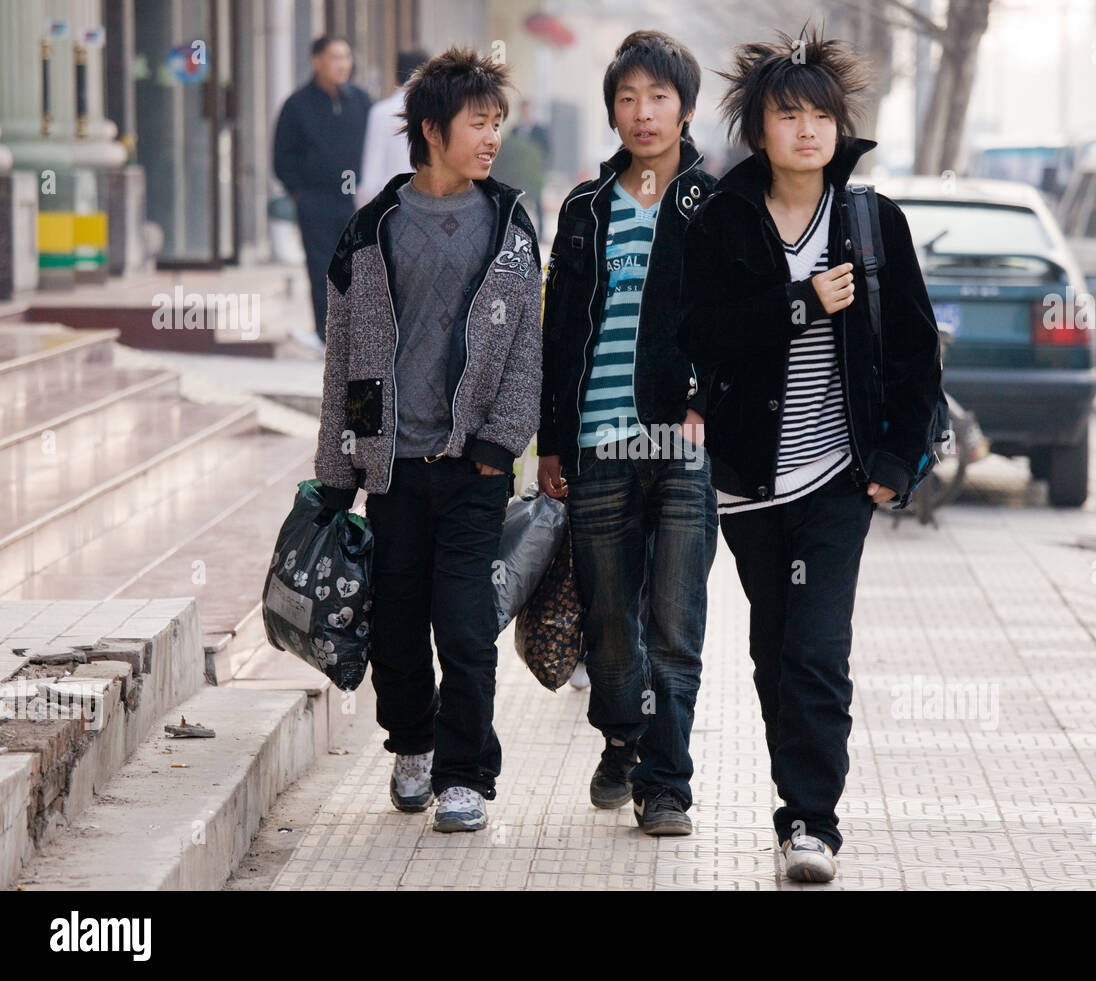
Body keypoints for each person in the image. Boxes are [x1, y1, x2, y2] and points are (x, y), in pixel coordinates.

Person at [679, 28, 942, 881]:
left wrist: (899, 461)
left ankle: (815, 824)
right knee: (773, 648)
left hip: (836, 477)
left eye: (820, 116)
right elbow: (700, 335)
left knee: (819, 647)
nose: (806, 131)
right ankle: (793, 801)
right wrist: (797, 305)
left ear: (839, 128)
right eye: (787, 115)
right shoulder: (724, 219)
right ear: (758, 129)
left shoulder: (871, 223)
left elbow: (914, 353)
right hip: (752, 483)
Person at [313, 46, 542, 831]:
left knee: (468, 626)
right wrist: (336, 469)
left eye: (497, 123)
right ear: (432, 130)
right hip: (394, 470)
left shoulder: (511, 223)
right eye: (478, 122)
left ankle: (464, 772)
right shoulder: (371, 228)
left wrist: (499, 443)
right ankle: (411, 742)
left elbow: (524, 350)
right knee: (399, 623)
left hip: (473, 465)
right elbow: (343, 356)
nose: (491, 137)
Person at [538, 30, 718, 835]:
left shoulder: (718, 202)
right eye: (627, 98)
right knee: (611, 625)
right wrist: (549, 442)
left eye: (658, 97)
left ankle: (665, 784)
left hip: (678, 444)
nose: (643, 114)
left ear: (685, 106)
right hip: (597, 443)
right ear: (612, 107)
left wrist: (707, 402)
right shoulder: (584, 208)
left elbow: (740, 323)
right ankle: (622, 736)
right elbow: (556, 336)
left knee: (675, 624)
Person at [273, 36, 372, 350]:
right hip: (315, 200)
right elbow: (282, 156)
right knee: (321, 268)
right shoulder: (297, 105)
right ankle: (326, 334)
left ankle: (357, 336)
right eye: (334, 57)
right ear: (316, 60)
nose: (342, 64)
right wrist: (300, 194)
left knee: (358, 267)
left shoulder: (362, 102)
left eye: (346, 57)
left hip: (355, 200)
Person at [358, 49, 430, 207]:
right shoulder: (439, 112)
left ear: (395, 75)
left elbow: (372, 174)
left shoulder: (381, 112)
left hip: (390, 204)